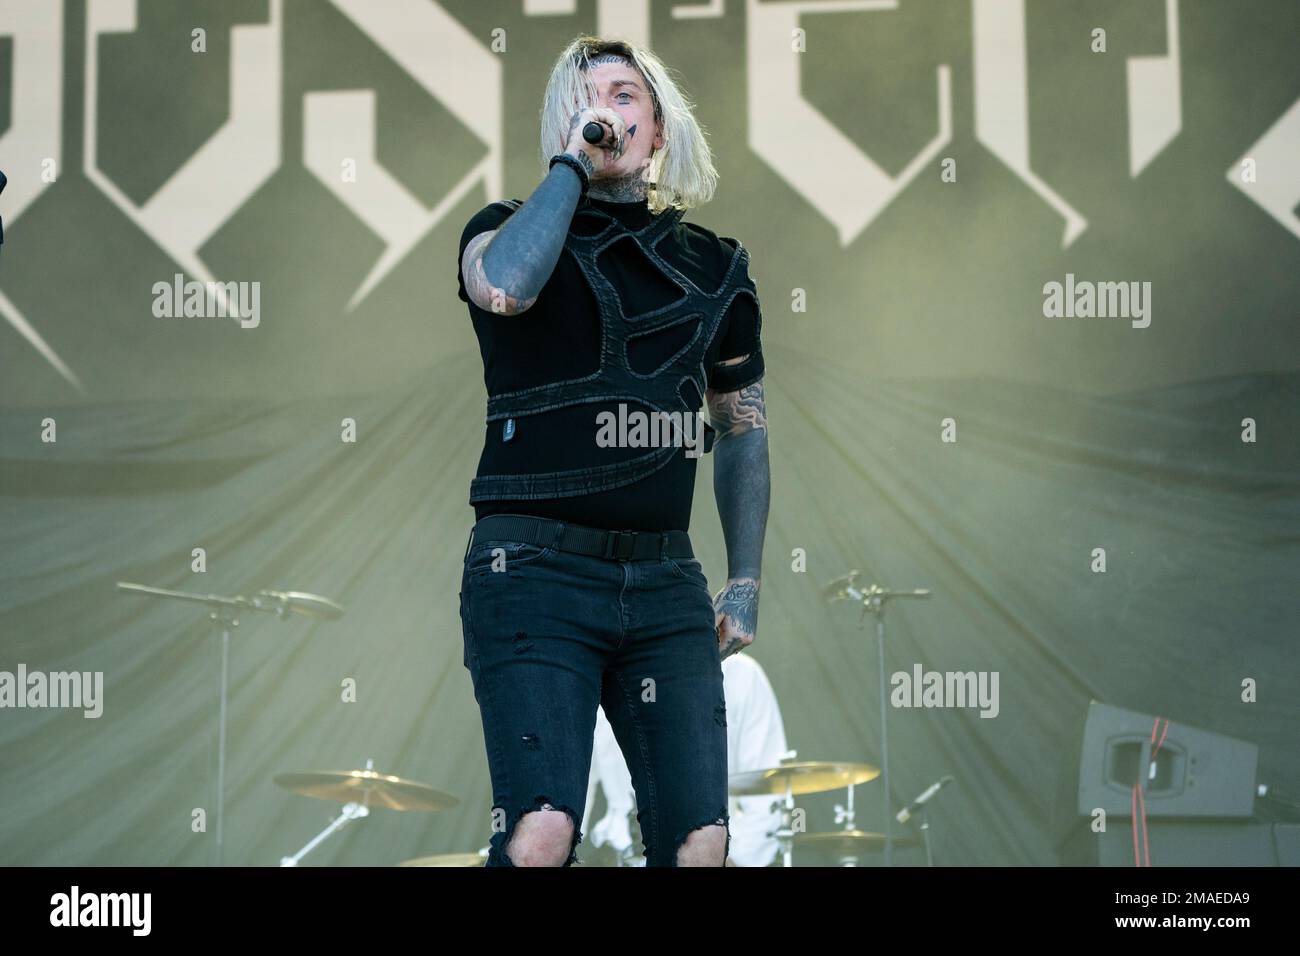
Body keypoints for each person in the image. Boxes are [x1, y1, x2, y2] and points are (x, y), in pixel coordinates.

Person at [455, 35, 769, 867]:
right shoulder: (501, 231)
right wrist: (569, 167)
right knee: (543, 830)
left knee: (702, 842)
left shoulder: (715, 266)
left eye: (625, 96)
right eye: (585, 99)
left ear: (659, 128)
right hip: (530, 571)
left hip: (665, 581)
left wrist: (743, 578)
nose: (605, 110)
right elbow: (506, 288)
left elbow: (741, 426)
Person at [584, 653, 790, 866]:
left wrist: (723, 860)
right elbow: (570, 794)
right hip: (619, 854)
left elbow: (768, 798)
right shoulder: (601, 676)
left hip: (717, 852)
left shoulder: (742, 677)